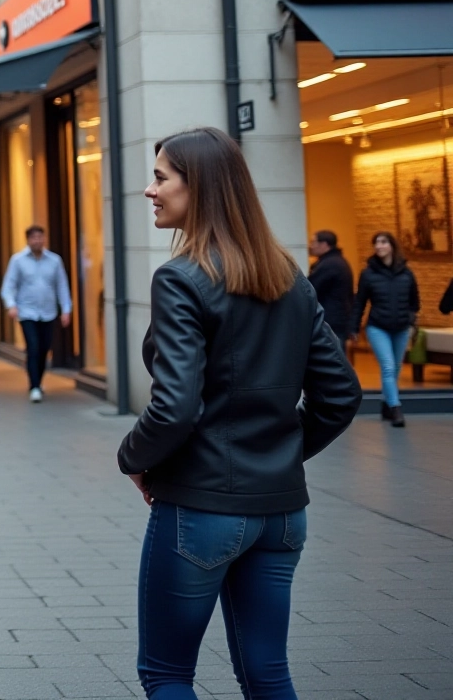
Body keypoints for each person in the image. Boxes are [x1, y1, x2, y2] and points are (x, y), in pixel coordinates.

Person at [120, 126, 360, 700]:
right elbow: (341, 395)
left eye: (160, 178)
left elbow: (175, 407)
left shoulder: (180, 278)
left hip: (202, 508)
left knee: (168, 673)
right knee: (267, 672)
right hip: (280, 513)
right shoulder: (289, 278)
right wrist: (274, 455)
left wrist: (131, 457)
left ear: (197, 186)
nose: (149, 191)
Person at [0, 225, 71, 402]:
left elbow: (62, 286)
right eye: (34, 238)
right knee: (33, 346)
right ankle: (35, 386)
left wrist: (66, 309)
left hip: (48, 312)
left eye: (40, 237)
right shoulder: (18, 260)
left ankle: (38, 379)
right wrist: (11, 305)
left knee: (44, 348)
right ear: (28, 240)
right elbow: (8, 287)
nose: (37, 241)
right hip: (27, 312)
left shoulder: (55, 261)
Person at [355, 231, 419, 428]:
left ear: (392, 245)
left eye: (383, 242)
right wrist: (354, 327)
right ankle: (396, 409)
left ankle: (386, 404)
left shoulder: (407, 273)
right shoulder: (368, 274)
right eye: (376, 243)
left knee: (395, 369)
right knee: (388, 367)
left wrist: (411, 321)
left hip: (401, 327)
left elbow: (414, 302)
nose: (378, 246)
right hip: (377, 327)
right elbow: (360, 302)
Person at [307, 230, 355, 346]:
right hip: (338, 318)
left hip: (331, 320)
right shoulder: (337, 261)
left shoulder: (329, 265)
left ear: (324, 244)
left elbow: (311, 289)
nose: (310, 246)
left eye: (313, 242)